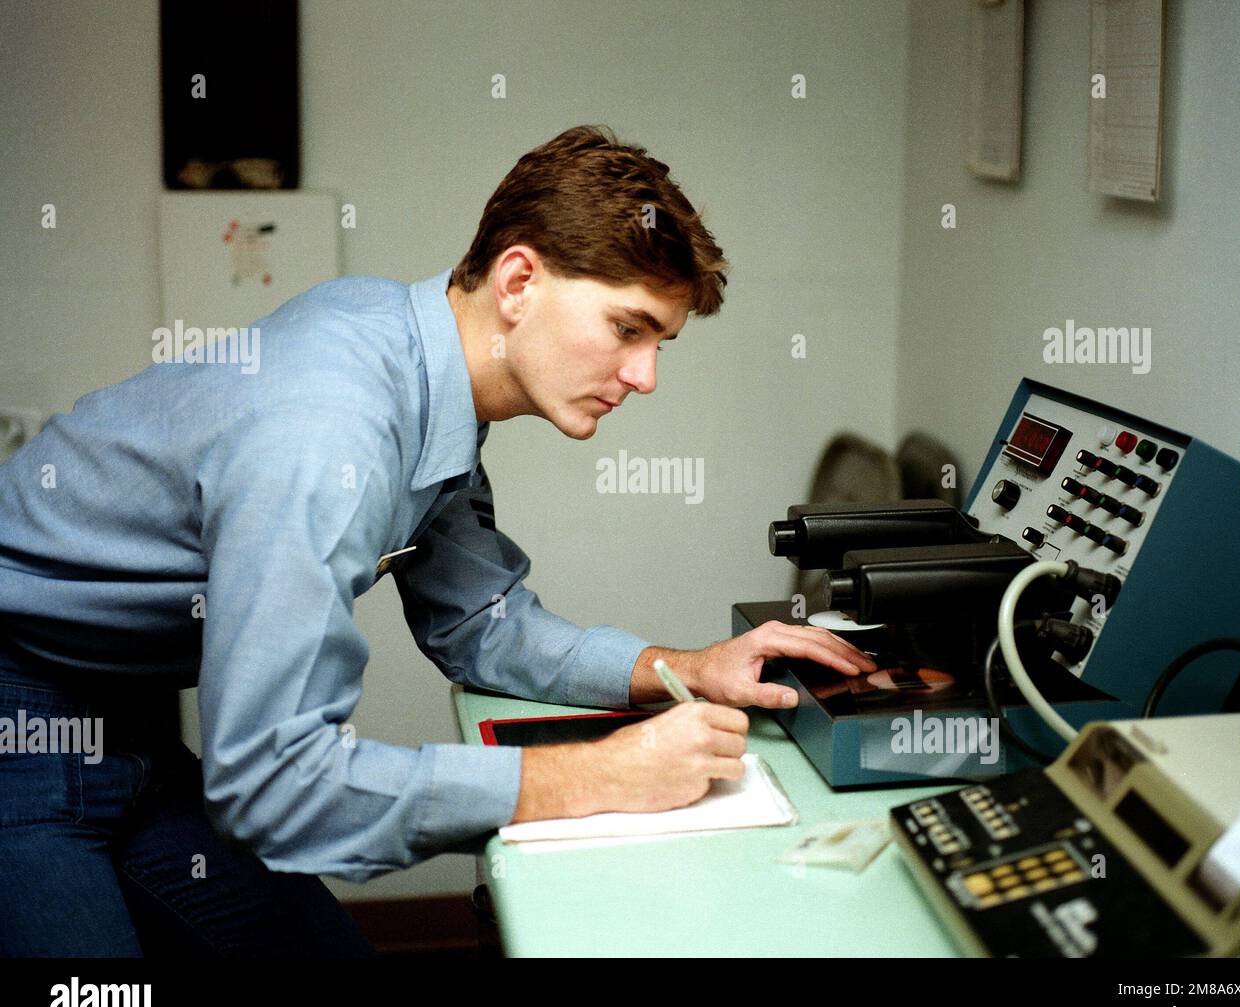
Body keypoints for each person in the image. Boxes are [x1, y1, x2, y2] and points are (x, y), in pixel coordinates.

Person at [0, 125, 872, 957]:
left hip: (127, 708)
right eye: (628, 328)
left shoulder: (418, 367)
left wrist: (684, 666)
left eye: (661, 343)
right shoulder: (330, 430)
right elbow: (273, 782)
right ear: (519, 282)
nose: (645, 376)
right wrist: (596, 777)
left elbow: (481, 621)